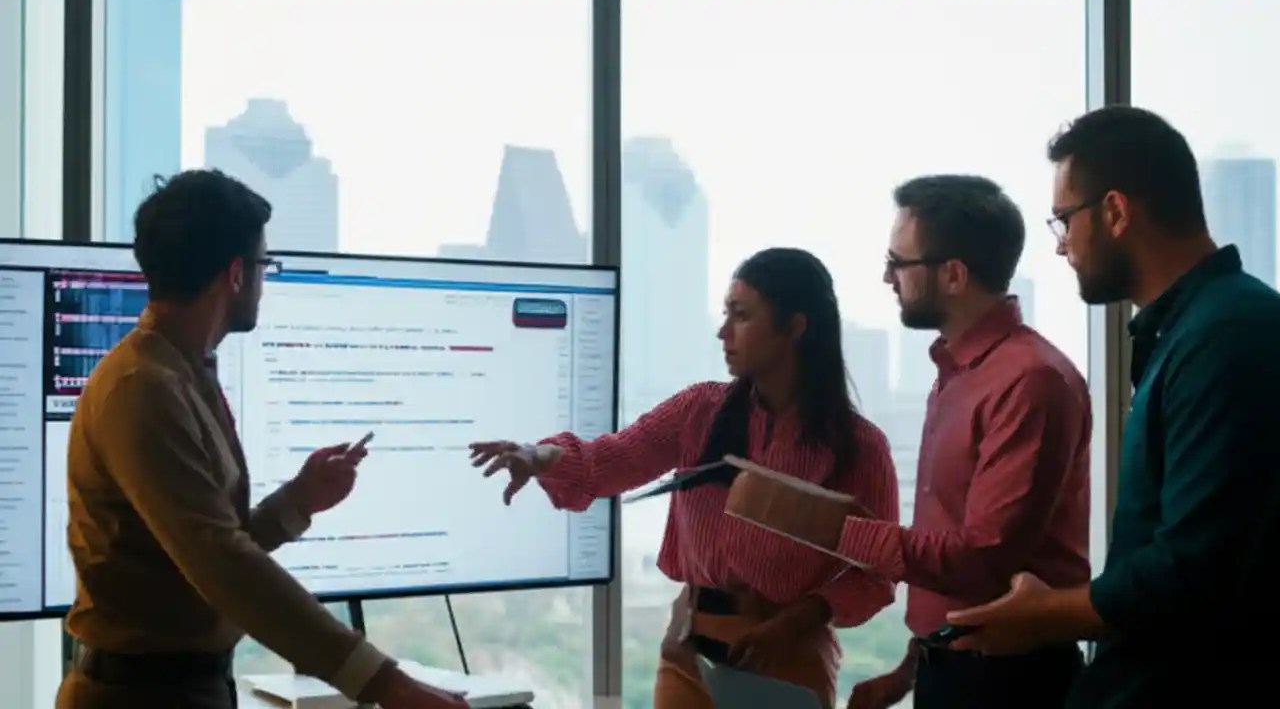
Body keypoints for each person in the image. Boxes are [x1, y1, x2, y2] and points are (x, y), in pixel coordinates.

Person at [56, 170, 464, 709]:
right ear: (235, 274)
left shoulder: (181, 374)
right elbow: (223, 564)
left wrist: (298, 501)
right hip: (141, 695)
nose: (264, 281)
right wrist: (387, 684)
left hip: (187, 688)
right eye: (264, 265)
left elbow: (203, 547)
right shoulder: (144, 389)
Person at [945, 106, 1280, 706]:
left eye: (1064, 220)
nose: (1060, 246)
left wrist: (1050, 614)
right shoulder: (1193, 331)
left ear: (1116, 212)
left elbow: (1193, 570)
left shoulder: (1228, 335)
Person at [470, 247, 900, 709]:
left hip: (785, 656)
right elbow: (611, 460)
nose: (723, 332)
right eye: (725, 314)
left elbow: (878, 575)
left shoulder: (860, 447)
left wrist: (800, 618)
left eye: (742, 316)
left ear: (794, 328)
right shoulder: (699, 410)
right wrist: (538, 457)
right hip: (690, 649)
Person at [734, 177, 1092, 709]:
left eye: (898, 263)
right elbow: (956, 569)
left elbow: (980, 559)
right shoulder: (957, 372)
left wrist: (834, 529)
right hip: (954, 666)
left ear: (952, 275)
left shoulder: (1028, 381)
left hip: (1008, 681)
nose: (886, 277)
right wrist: (909, 672)